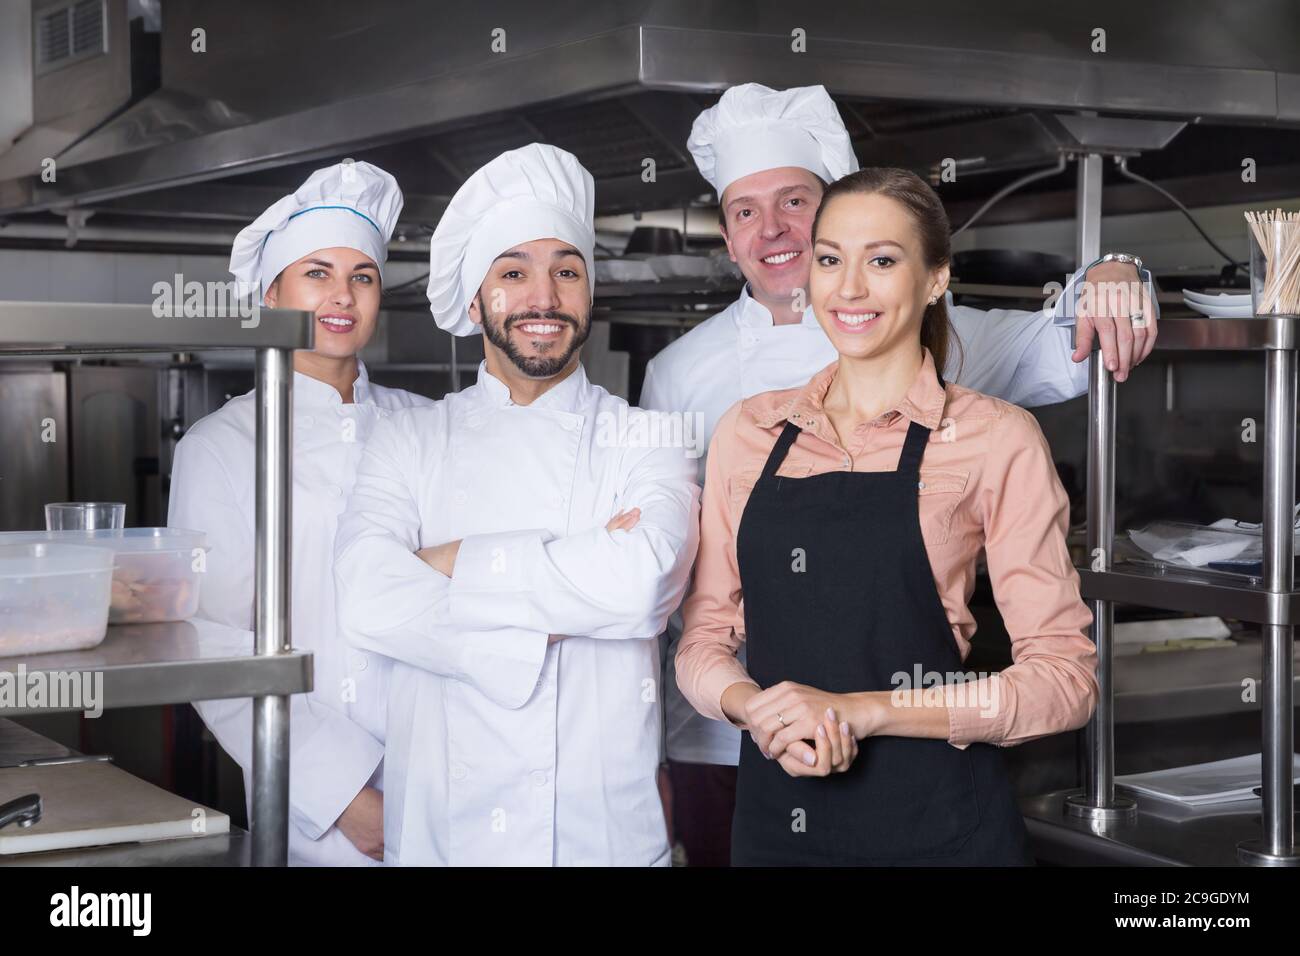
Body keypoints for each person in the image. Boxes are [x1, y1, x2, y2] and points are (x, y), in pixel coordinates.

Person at [639, 83, 1156, 866]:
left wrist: (1116, 267)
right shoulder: (728, 413)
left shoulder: (986, 418)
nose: (850, 288)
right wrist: (762, 709)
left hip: (937, 814)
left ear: (934, 279)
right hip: (765, 784)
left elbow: (1063, 680)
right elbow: (700, 623)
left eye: (881, 260)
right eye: (831, 262)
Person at [332, 143, 700, 866]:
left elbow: (643, 581)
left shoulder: (649, 435)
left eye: (567, 271)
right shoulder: (407, 439)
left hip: (602, 837)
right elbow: (367, 600)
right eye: (513, 273)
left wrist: (445, 564)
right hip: (445, 835)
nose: (544, 298)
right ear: (475, 302)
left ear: (590, 293)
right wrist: (572, 583)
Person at [168, 161, 433, 866]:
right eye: (317, 272)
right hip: (320, 813)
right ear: (272, 290)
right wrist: (350, 798)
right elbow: (211, 645)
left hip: (451, 774)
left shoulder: (430, 426)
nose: (343, 295)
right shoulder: (224, 446)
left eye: (363, 276)